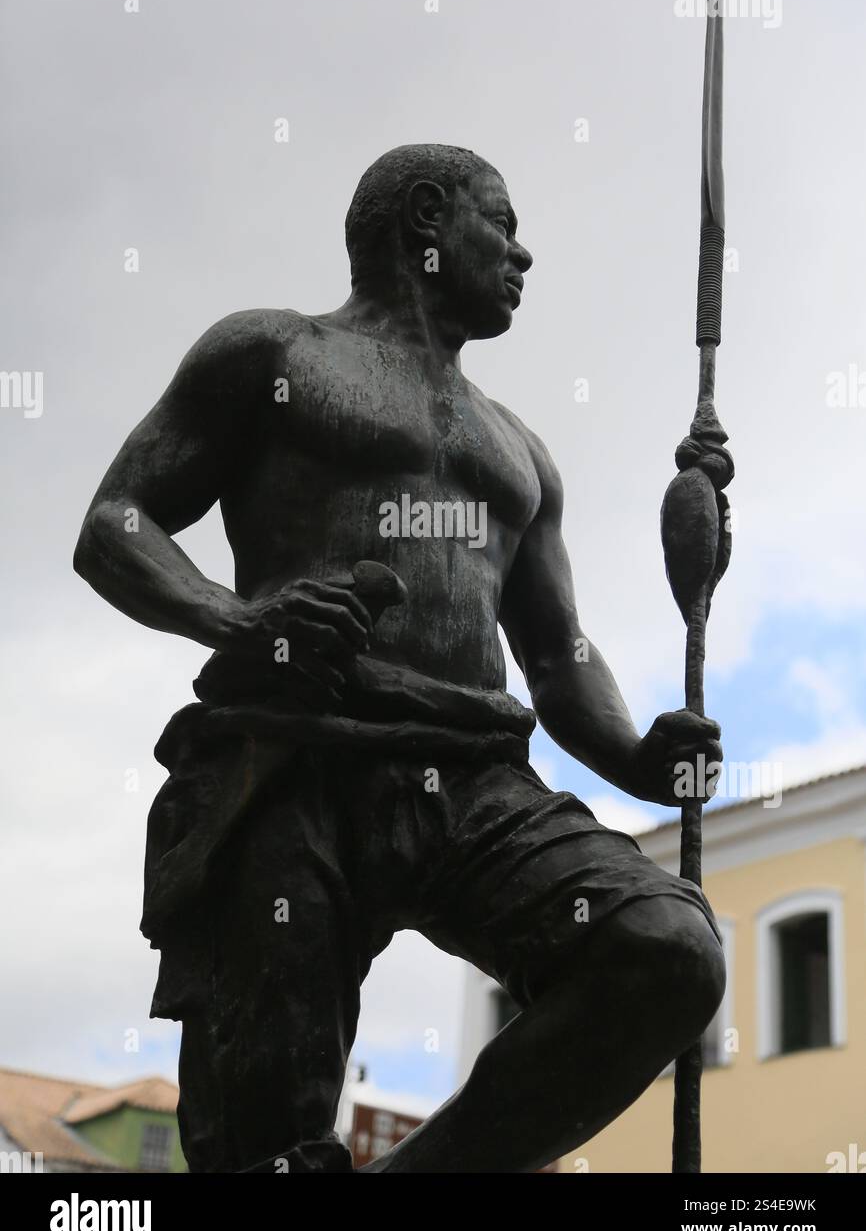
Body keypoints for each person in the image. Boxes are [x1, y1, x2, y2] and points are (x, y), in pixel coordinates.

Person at [74, 144, 725, 1173]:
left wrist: (637, 757)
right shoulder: (274, 354)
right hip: (292, 761)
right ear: (427, 216)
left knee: (662, 949)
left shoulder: (518, 451)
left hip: (472, 779)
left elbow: (556, 657)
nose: (523, 253)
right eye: (501, 223)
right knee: (263, 1143)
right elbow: (115, 523)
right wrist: (235, 619)